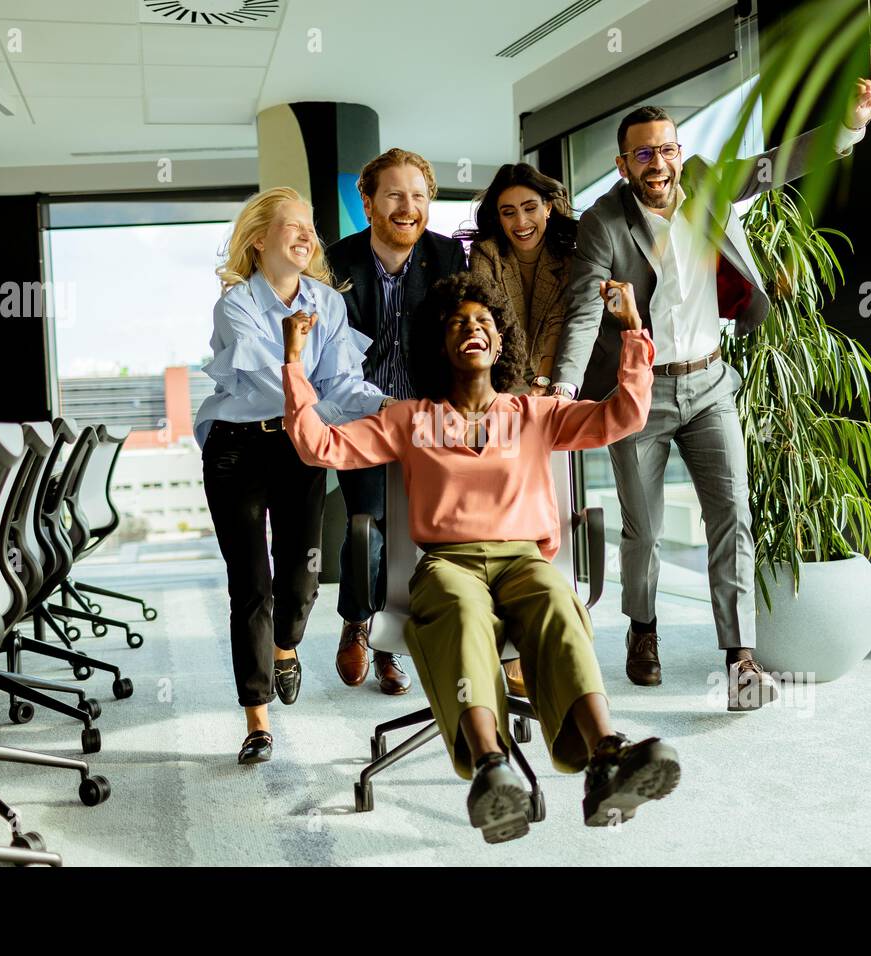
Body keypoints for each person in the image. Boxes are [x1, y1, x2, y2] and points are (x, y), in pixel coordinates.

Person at [279, 272, 680, 844]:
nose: (471, 329)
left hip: (524, 560)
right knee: (460, 613)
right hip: (449, 562)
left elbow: (624, 416)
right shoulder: (408, 419)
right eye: (457, 324)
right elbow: (319, 446)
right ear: (441, 346)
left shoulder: (537, 412)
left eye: (484, 323)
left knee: (557, 604)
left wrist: (632, 330)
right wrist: (295, 362)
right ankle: (492, 769)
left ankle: (606, 757)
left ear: (499, 345)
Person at [548, 79, 871, 709]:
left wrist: (849, 124)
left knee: (732, 517)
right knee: (643, 529)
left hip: (709, 384)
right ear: (624, 165)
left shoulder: (709, 185)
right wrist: (566, 386)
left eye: (666, 150)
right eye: (643, 155)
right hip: (640, 393)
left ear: (680, 152)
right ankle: (643, 630)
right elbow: (581, 313)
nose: (658, 163)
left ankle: (740, 660)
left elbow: (781, 163)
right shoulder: (604, 222)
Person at [194, 187, 391, 765]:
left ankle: (286, 647)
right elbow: (271, 387)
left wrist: (392, 406)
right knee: (250, 583)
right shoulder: (236, 305)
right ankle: (256, 718)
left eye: (310, 227)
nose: (308, 236)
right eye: (292, 226)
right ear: (259, 239)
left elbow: (343, 386)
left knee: (302, 580)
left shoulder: (328, 304)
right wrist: (317, 392)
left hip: (300, 449)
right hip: (236, 451)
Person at [325, 148, 468, 696]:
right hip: (362, 414)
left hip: (429, 418)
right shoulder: (336, 264)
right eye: (394, 195)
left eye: (419, 195)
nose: (408, 207)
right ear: (367, 203)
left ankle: (390, 647)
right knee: (371, 523)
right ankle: (357, 622)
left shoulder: (448, 258)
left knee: (421, 531)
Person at [460, 162, 579, 698]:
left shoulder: (570, 252)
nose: (520, 220)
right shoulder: (486, 254)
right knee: (507, 511)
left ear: (548, 207)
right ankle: (509, 652)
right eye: (508, 211)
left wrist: (547, 385)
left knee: (550, 510)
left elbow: (562, 322)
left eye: (529, 208)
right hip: (503, 397)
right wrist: (514, 394)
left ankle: (545, 633)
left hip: (552, 393)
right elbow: (493, 322)